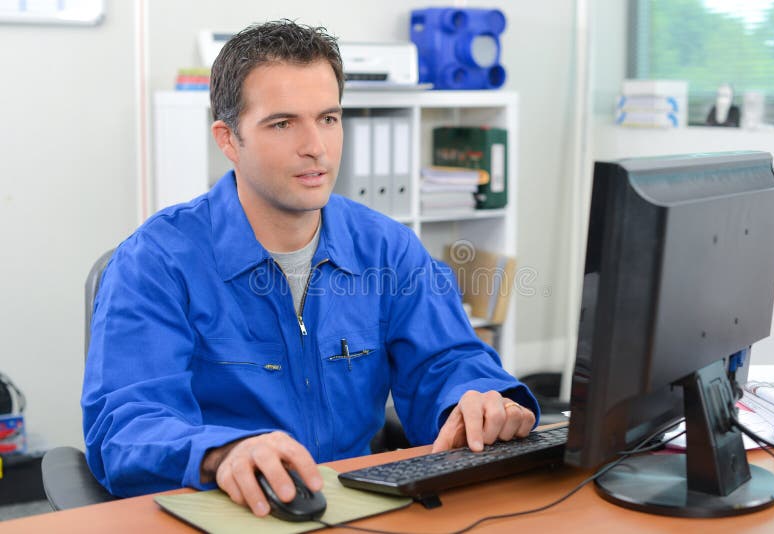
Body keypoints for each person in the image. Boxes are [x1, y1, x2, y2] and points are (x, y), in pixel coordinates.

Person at [82, 20, 539, 518]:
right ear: (229, 139)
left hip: (361, 511)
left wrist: (476, 403)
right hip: (226, 512)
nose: (316, 147)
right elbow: (127, 425)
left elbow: (447, 363)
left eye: (328, 118)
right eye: (283, 124)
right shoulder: (155, 263)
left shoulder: (389, 249)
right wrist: (221, 454)